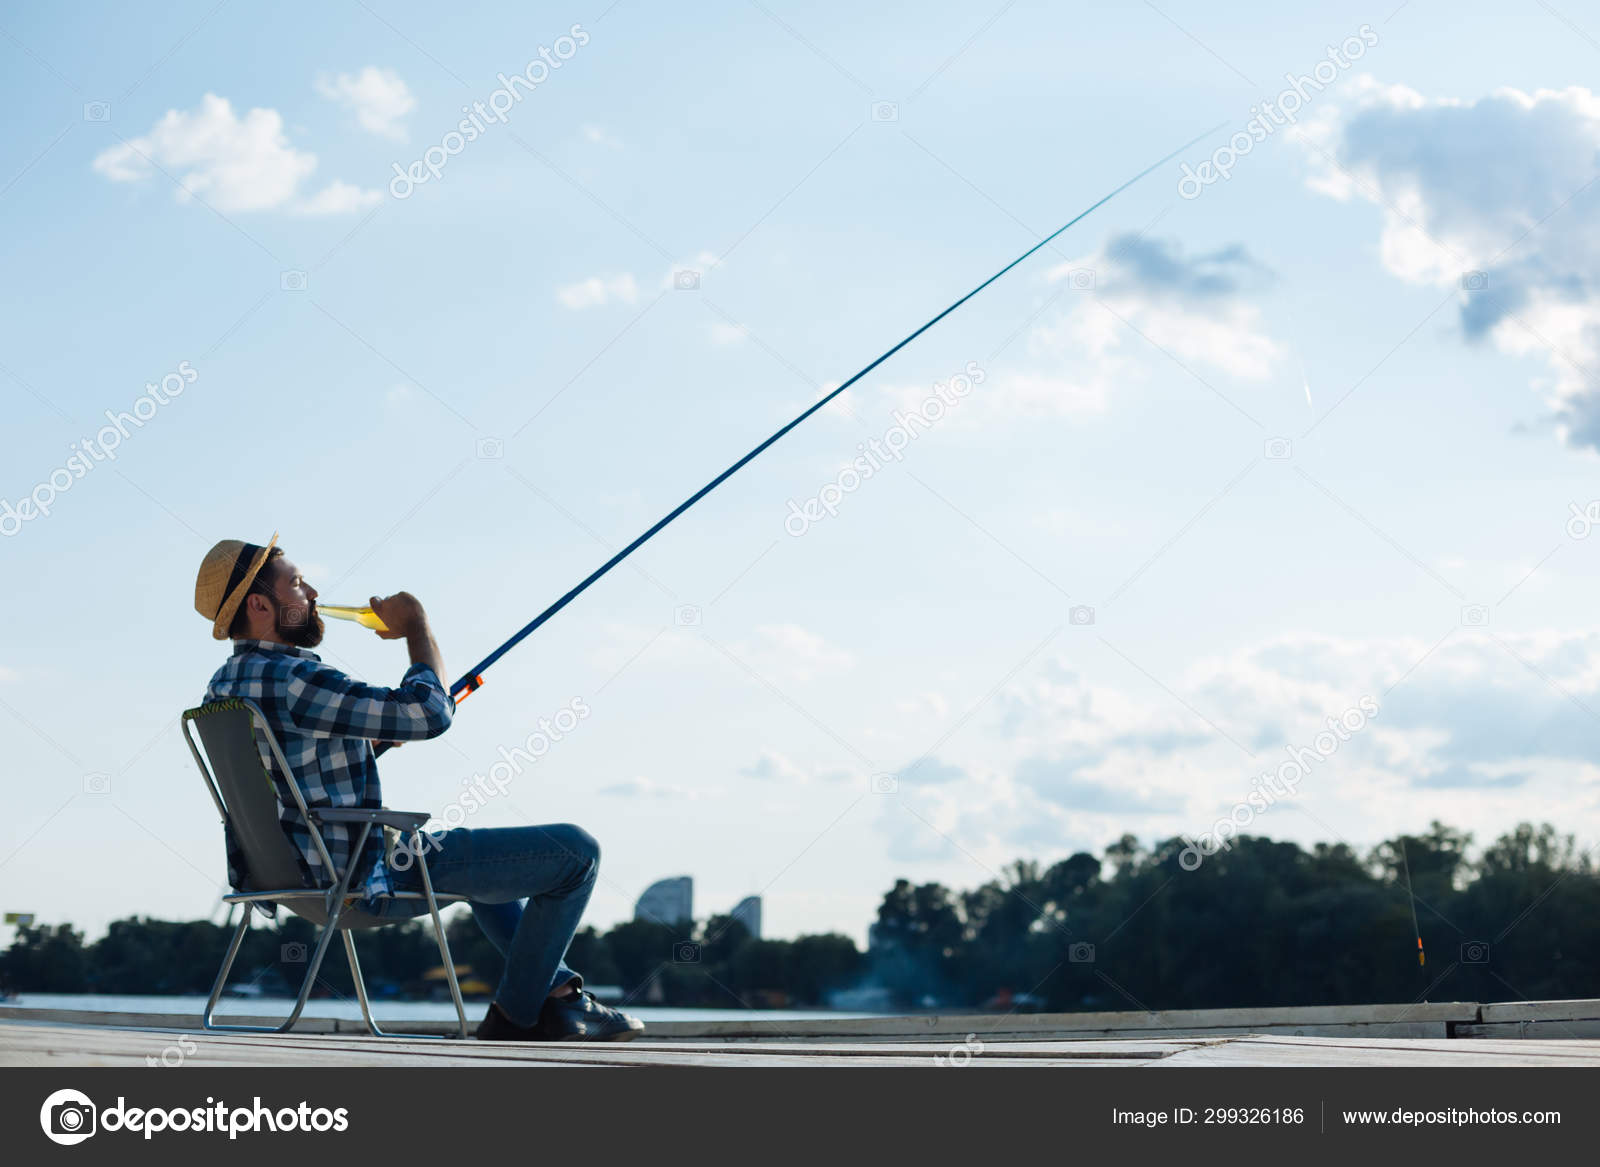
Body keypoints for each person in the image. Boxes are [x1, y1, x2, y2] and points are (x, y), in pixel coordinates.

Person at [193, 533, 643, 1042]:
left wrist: (367, 747)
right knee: (576, 853)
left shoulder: (225, 684)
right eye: (296, 584)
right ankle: (518, 1017)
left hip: (290, 881)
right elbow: (429, 713)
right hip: (360, 881)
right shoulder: (294, 677)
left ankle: (558, 995)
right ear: (259, 604)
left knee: (487, 869)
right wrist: (416, 627)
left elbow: (287, 769)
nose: (313, 592)